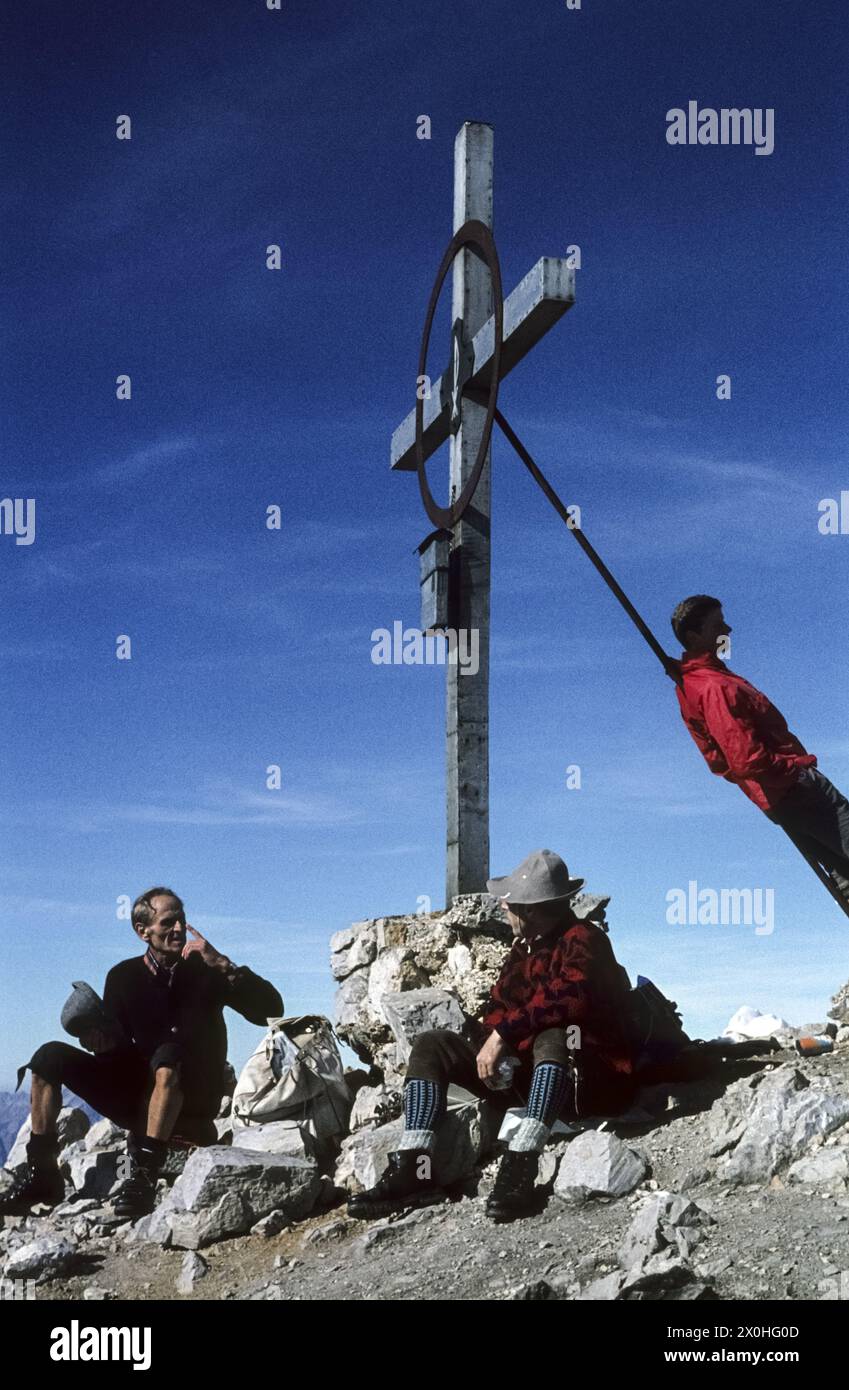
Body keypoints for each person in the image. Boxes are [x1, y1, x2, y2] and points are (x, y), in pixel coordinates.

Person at [348, 850, 638, 1224]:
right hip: (531, 1077)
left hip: (588, 1080)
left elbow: (571, 999)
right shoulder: (523, 949)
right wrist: (500, 1047)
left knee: (555, 1032)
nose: (503, 908)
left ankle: (521, 1162)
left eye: (509, 903)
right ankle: (415, 1170)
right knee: (432, 1045)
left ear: (530, 909)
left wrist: (504, 1035)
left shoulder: (584, 940)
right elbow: (499, 1006)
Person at [1, 887, 283, 1220]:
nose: (178, 929)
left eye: (181, 920)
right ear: (142, 931)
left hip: (193, 1097)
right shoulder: (122, 977)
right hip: (141, 1101)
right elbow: (119, 1056)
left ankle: (144, 1178)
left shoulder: (208, 971)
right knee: (48, 1057)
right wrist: (102, 1048)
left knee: (168, 1054)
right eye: (167, 922)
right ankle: (43, 1173)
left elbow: (271, 1010)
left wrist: (224, 965)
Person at [671, 595, 849, 888]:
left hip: (779, 797)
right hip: (796, 788)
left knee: (844, 874)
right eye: (718, 624)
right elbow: (745, 759)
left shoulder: (696, 682)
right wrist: (797, 773)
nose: (728, 630)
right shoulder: (715, 687)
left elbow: (720, 761)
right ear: (695, 635)